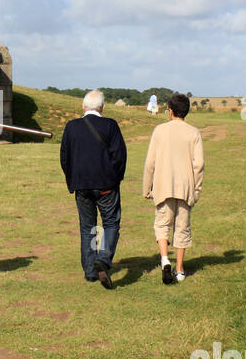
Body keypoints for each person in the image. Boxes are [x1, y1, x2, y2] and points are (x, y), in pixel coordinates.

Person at [59, 90, 127, 290]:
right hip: (106, 185)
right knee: (111, 223)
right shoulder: (110, 126)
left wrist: (72, 179)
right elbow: (119, 156)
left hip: (81, 185)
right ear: (102, 107)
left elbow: (65, 158)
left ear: (83, 107)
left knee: (87, 227)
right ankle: (103, 259)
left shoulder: (71, 127)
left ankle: (90, 270)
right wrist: (116, 178)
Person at [142, 94, 204, 284]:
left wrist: (147, 187)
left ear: (170, 111)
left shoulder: (159, 130)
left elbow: (150, 162)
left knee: (162, 224)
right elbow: (198, 165)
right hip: (185, 187)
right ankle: (179, 269)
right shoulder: (194, 132)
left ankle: (164, 258)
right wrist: (196, 190)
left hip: (163, 185)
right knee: (182, 227)